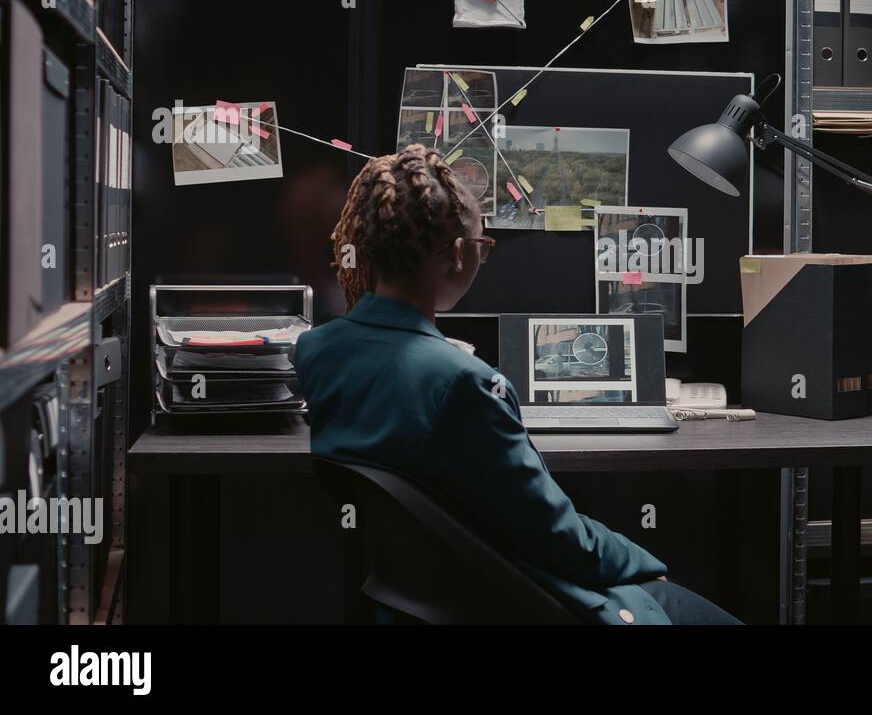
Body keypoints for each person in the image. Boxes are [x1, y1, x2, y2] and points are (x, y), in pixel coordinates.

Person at [294, 145, 740, 625]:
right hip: (520, 602)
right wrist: (646, 565)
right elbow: (559, 537)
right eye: (482, 246)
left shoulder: (318, 352)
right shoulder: (466, 384)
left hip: (415, 602)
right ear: (459, 255)